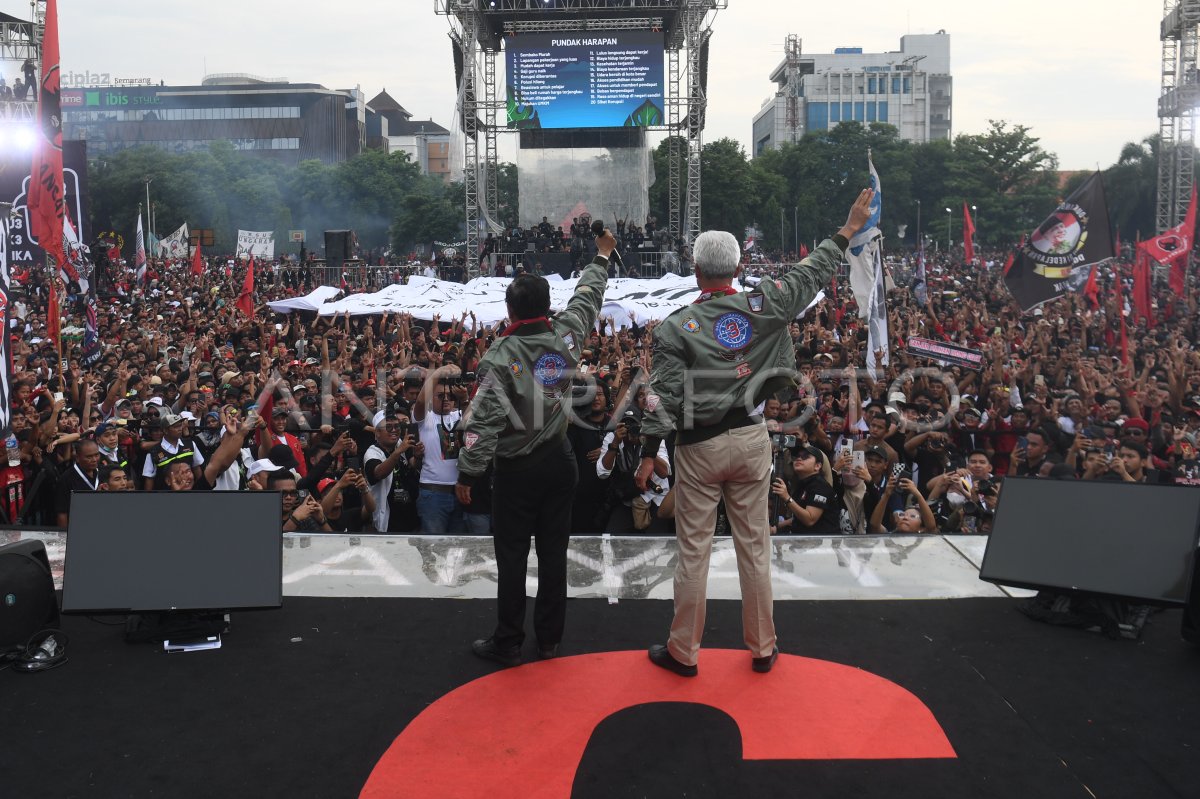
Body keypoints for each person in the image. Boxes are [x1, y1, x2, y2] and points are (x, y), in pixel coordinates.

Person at [634, 188, 874, 676]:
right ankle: (763, 646)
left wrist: (645, 452)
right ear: (738, 268)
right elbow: (810, 274)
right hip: (751, 438)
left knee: (694, 552)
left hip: (698, 448)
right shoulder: (767, 304)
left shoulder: (676, 328)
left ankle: (683, 652)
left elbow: (659, 400)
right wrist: (847, 229)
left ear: (696, 271)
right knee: (755, 546)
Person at [456, 228, 613, 667]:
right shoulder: (567, 336)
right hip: (560, 463)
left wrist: (469, 472)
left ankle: (508, 641)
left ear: (509, 310)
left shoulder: (499, 356)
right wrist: (601, 258)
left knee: (511, 558)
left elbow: (483, 421)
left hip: (516, 472)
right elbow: (587, 299)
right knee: (553, 557)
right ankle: (549, 642)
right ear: (547, 306)